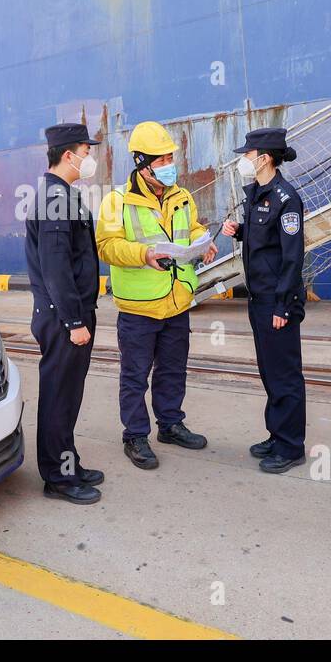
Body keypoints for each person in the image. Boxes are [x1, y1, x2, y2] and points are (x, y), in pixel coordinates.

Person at [96, 121, 218, 470]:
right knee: (135, 375)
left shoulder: (181, 195)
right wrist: (143, 255)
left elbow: (192, 227)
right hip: (139, 306)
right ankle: (135, 435)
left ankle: (170, 424)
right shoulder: (115, 201)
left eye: (170, 159)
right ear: (142, 163)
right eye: (162, 161)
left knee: (172, 369)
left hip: (177, 298)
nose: (169, 166)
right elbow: (106, 246)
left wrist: (203, 242)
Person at [221, 127, 307, 474]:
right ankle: (277, 433)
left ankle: (290, 446)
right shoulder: (258, 193)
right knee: (269, 371)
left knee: (285, 374)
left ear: (264, 158)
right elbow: (264, 239)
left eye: (247, 154)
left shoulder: (287, 199)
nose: (244, 160)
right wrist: (240, 232)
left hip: (276, 301)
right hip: (259, 298)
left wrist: (283, 306)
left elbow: (292, 257)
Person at [26, 123, 104, 505]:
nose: (90, 158)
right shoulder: (55, 198)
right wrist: (74, 321)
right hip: (63, 319)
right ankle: (57, 476)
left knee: (68, 396)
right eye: (86, 151)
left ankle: (67, 463)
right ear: (69, 155)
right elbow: (56, 267)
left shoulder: (62, 195)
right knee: (59, 397)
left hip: (70, 314)